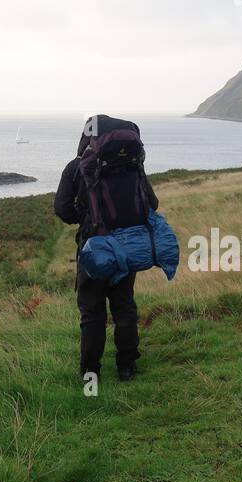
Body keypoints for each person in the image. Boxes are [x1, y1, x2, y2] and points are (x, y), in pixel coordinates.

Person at [54, 115, 159, 382]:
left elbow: (62, 209)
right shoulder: (133, 166)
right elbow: (152, 203)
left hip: (93, 247)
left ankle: (91, 372)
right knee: (124, 306)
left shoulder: (76, 167)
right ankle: (127, 368)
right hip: (126, 246)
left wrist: (87, 218)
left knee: (92, 312)